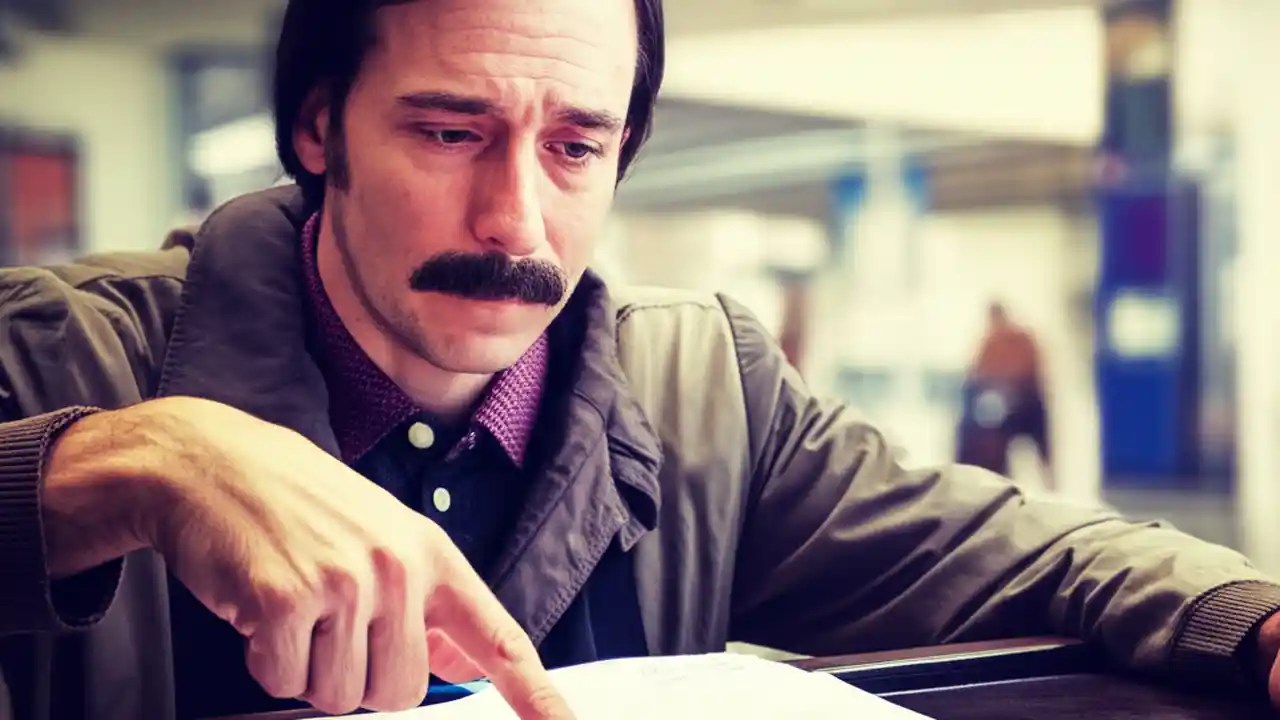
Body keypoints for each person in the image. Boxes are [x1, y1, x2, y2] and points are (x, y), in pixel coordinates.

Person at [1, 1, 1279, 719]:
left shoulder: (701, 391)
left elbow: (1035, 557)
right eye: (451, 132)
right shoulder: (64, 359)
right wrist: (114, 468)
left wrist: (1260, 624)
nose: (514, 222)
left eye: (574, 149)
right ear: (317, 126)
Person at [957, 302, 1052, 486]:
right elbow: (976, 373)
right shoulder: (989, 342)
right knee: (978, 428)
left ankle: (1046, 477)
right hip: (1001, 405)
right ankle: (989, 473)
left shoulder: (1022, 339)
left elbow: (1032, 372)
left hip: (1026, 403)